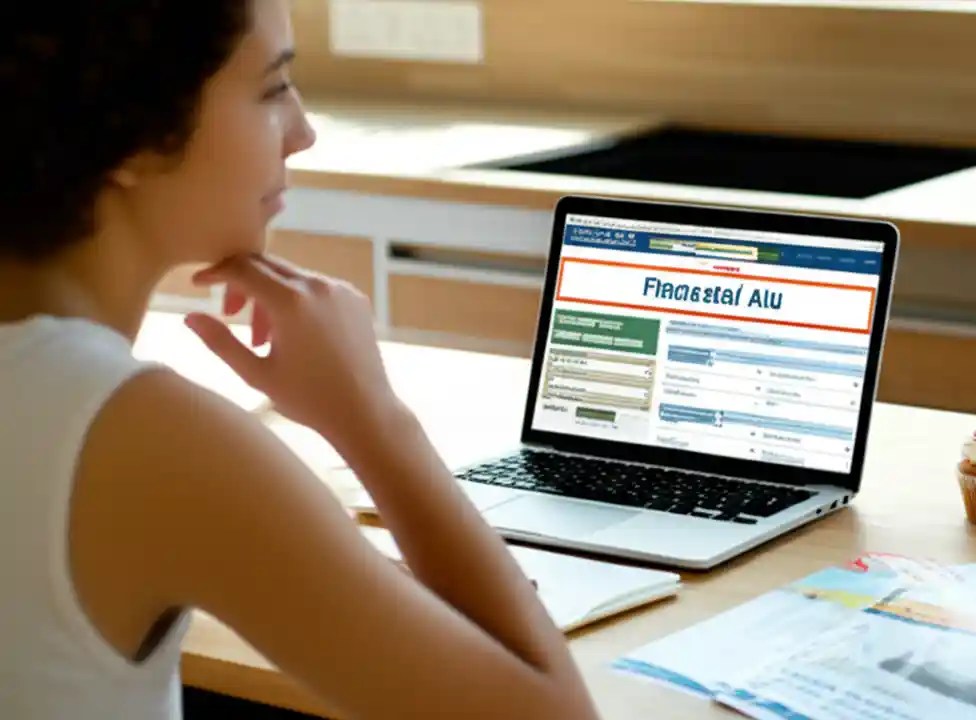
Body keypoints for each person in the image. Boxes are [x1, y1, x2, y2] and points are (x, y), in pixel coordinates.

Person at [0, 2, 598, 718]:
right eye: (273, 87)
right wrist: (373, 417)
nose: (304, 132)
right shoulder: (141, 438)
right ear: (134, 136)